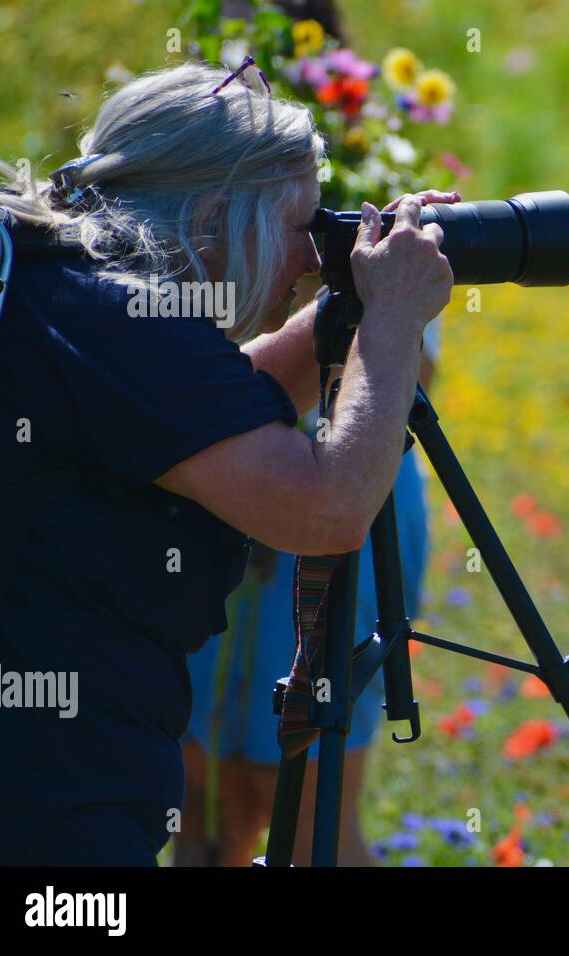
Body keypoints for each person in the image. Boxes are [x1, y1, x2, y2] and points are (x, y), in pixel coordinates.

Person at [0, 61, 458, 865]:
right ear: (212, 215)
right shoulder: (129, 323)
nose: (311, 256)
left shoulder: (61, 287)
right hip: (43, 799)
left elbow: (201, 422)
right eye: (303, 226)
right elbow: (326, 511)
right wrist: (397, 319)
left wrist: (354, 303)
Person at [177, 322, 441, 867]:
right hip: (209, 468)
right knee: (204, 803)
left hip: (342, 472)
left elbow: (412, 372)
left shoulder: (380, 242)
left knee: (306, 820)